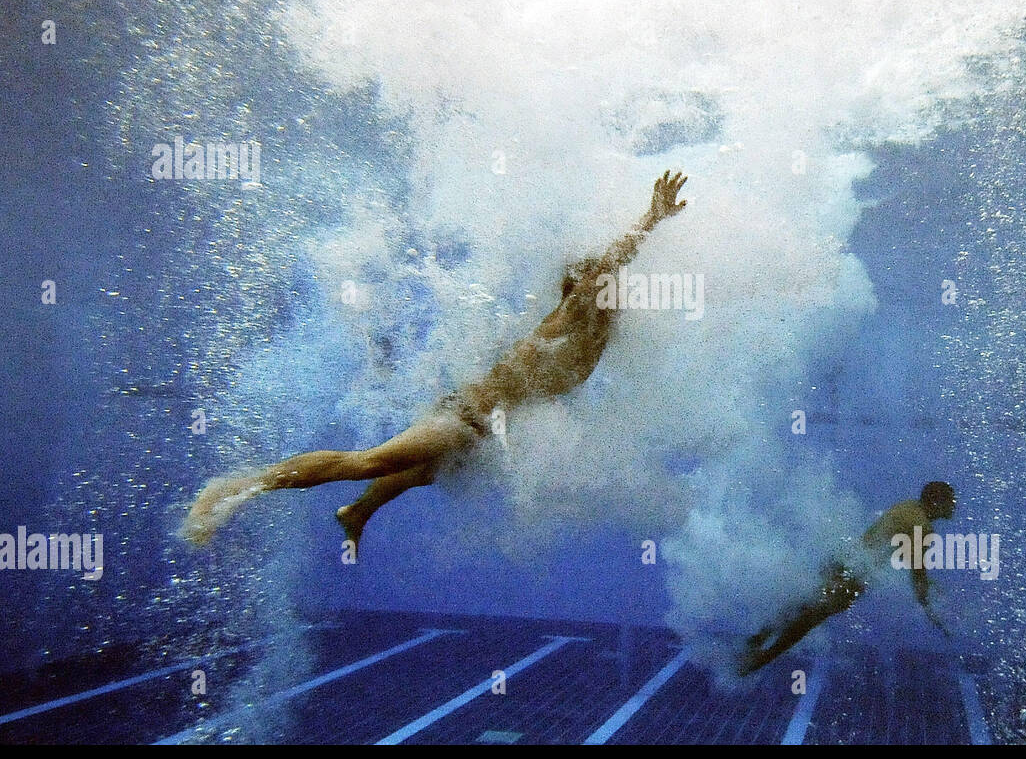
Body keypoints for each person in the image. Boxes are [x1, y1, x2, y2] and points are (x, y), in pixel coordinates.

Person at [181, 171, 689, 550]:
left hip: (482, 429)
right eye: (601, 282)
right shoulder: (574, 312)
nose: (613, 290)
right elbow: (609, 263)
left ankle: (357, 514)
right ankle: (236, 488)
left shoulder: (599, 337)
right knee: (370, 461)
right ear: (580, 285)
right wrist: (651, 219)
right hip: (463, 416)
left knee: (422, 474)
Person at [736, 481, 956, 676]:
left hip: (845, 557)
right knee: (808, 620)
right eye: (950, 501)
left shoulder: (908, 506)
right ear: (936, 503)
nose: (954, 505)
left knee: (803, 604)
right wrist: (932, 612)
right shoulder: (923, 528)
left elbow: (907, 560)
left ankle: (756, 640)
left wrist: (927, 585)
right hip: (855, 576)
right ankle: (759, 660)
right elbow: (917, 574)